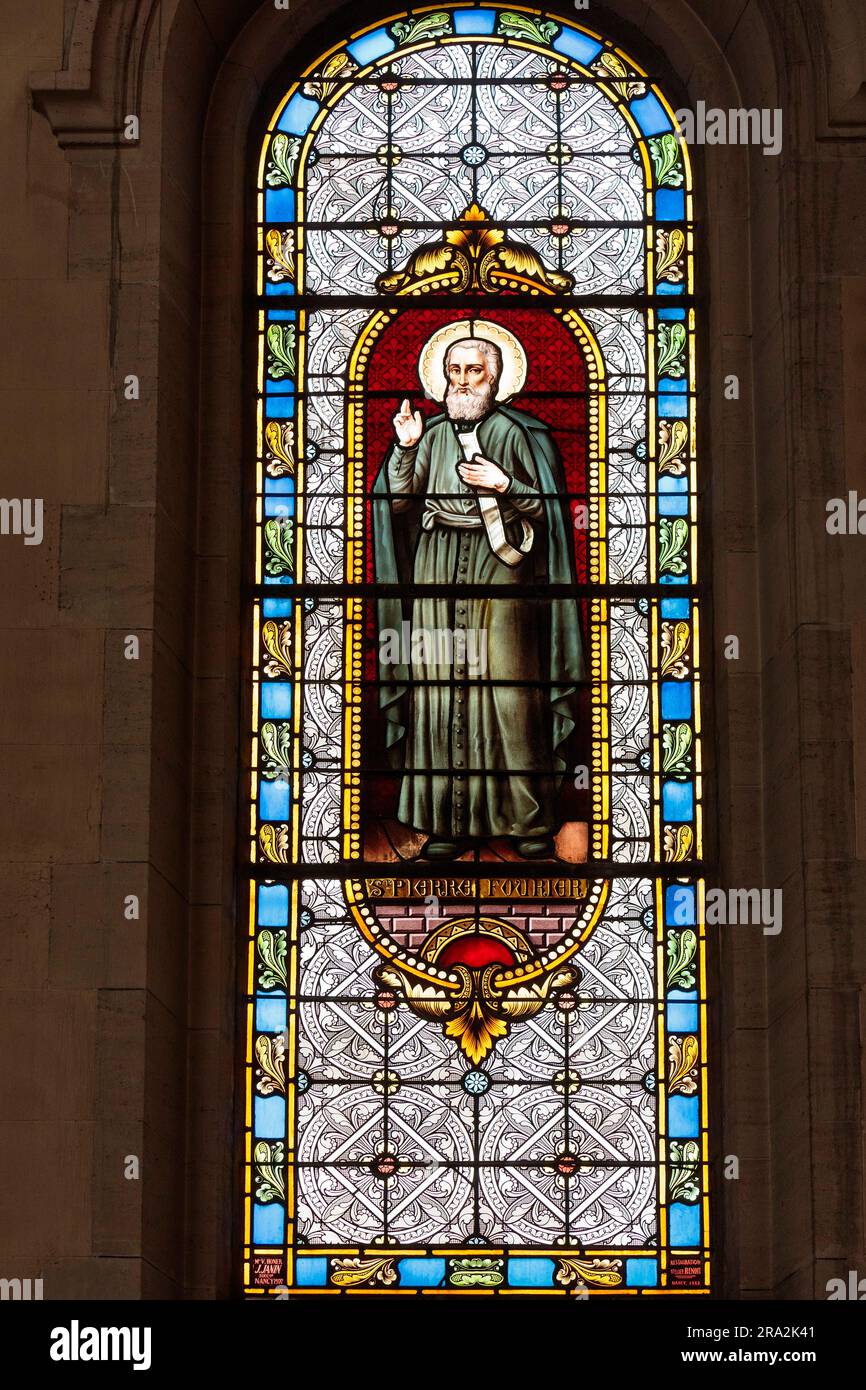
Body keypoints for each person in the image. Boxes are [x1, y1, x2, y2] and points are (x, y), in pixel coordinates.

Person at [372, 333, 584, 860]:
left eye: (474, 371)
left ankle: (528, 821)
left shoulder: (518, 434)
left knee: (510, 691)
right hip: (436, 569)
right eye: (454, 371)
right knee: (438, 691)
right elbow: (396, 503)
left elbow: (550, 513)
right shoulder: (432, 434)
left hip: (501, 574)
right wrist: (404, 447)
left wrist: (504, 484)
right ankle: (447, 821)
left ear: (496, 379)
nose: (462, 381)